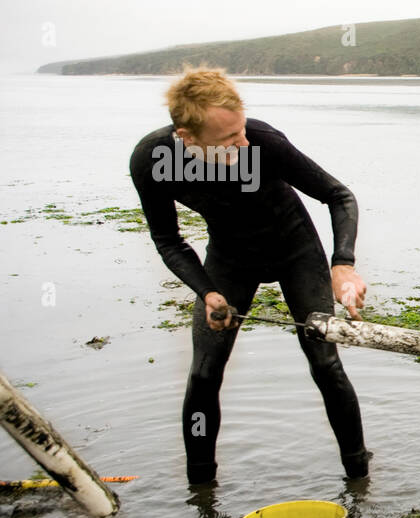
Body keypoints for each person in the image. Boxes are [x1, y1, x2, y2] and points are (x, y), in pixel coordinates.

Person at [129, 67, 371, 485]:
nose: (243, 144)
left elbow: (338, 195)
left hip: (296, 251)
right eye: (228, 140)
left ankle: (358, 473)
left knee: (325, 365)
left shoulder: (261, 142)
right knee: (205, 373)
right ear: (187, 138)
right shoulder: (154, 161)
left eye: (241, 131)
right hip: (229, 260)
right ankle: (201, 489)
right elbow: (168, 239)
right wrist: (206, 292)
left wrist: (343, 264)